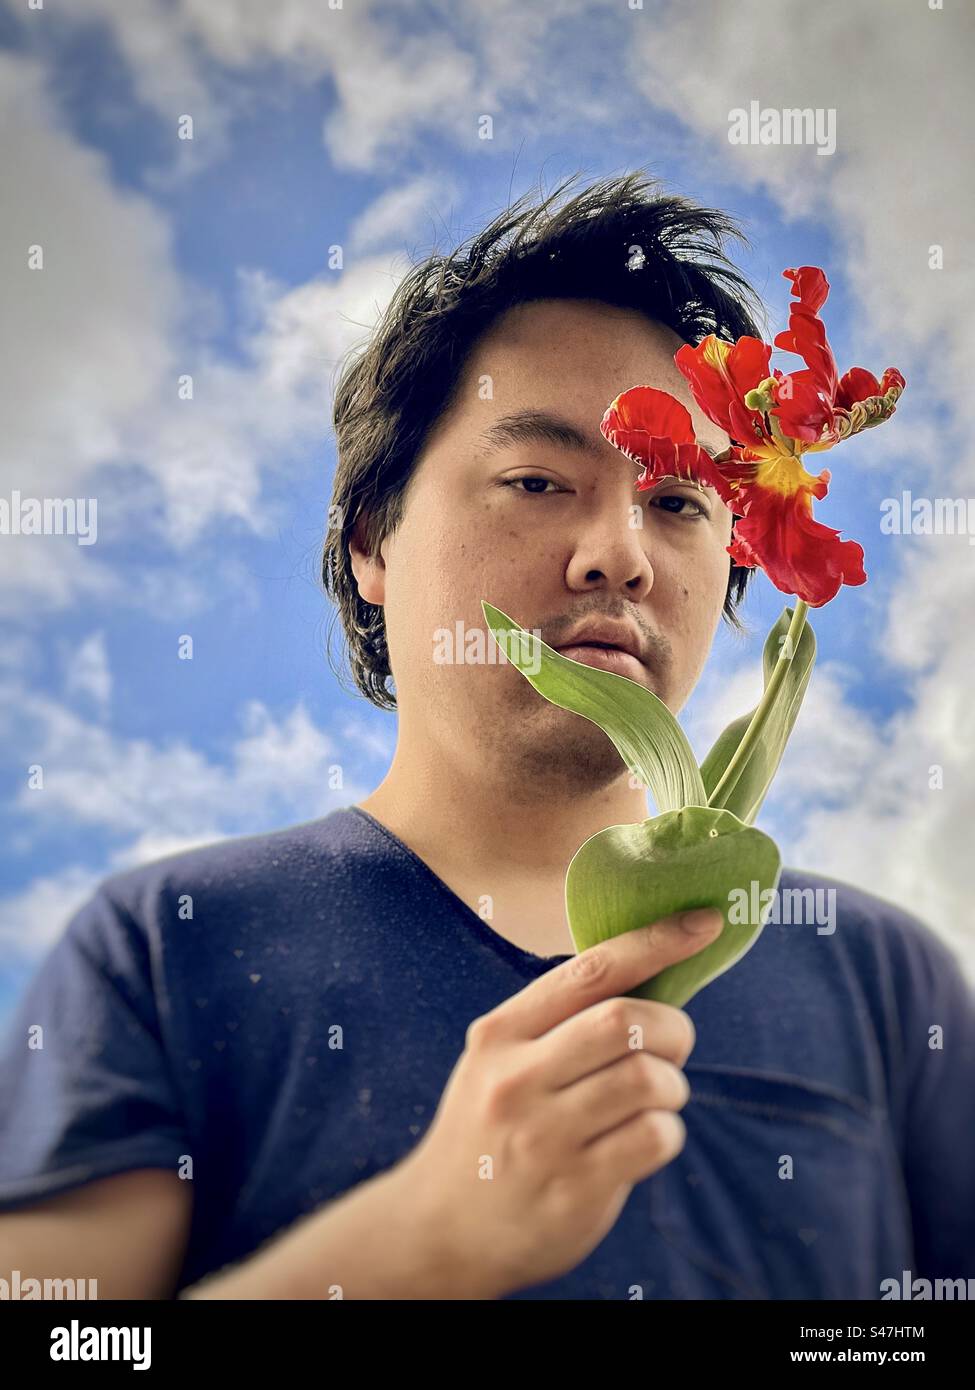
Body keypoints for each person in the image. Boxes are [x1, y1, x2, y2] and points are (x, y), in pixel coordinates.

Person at [1, 172, 972, 1301]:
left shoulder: (880, 975)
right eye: (537, 478)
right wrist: (419, 1239)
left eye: (680, 503)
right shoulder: (165, 949)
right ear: (372, 541)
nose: (620, 553)